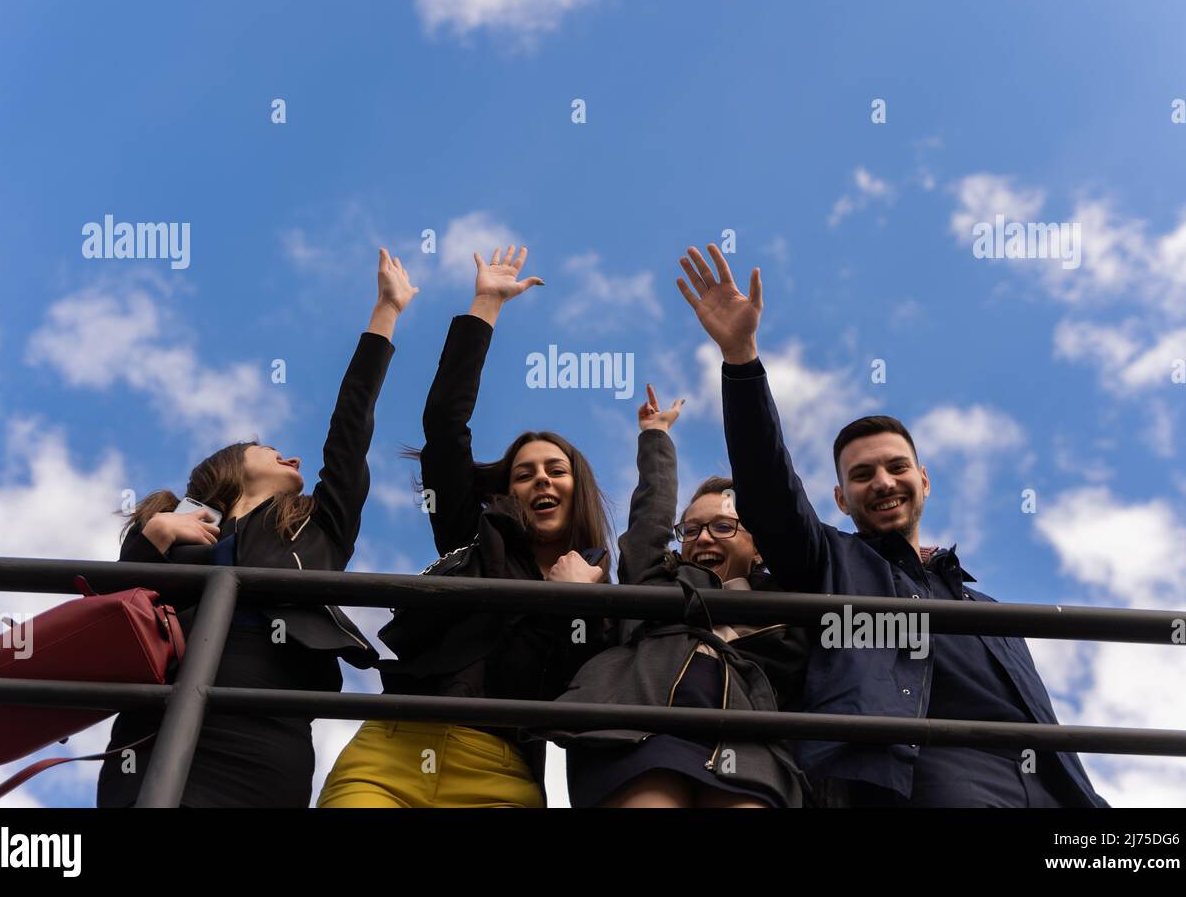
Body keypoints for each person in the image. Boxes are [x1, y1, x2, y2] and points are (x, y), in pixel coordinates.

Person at [676, 242, 1108, 808]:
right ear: (840, 496)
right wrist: (741, 359)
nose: (882, 482)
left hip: (1054, 788)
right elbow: (767, 489)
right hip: (925, 776)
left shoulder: (988, 609)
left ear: (923, 480)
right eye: (862, 474)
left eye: (896, 467)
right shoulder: (833, 563)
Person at [96, 248, 417, 807]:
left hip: (268, 714)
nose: (292, 459)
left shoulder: (320, 526)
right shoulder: (175, 525)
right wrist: (157, 536)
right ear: (232, 464)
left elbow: (350, 426)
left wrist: (385, 312)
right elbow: (112, 607)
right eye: (272, 450)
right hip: (159, 714)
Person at [318, 246, 614, 808]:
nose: (541, 481)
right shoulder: (475, 539)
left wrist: (576, 605)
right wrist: (486, 305)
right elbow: (444, 425)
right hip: (392, 748)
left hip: (501, 773)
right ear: (509, 493)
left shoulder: (599, 591)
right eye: (524, 475)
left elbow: (580, 693)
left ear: (579, 487)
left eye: (556, 470)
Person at [543, 384, 810, 807]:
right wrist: (655, 435)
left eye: (723, 527)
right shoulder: (657, 582)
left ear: (758, 547)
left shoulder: (786, 606)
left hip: (745, 744)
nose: (704, 537)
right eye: (691, 529)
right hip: (643, 730)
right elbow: (651, 517)